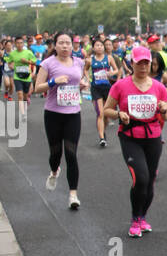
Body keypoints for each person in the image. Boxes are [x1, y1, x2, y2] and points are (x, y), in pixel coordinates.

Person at [103, 44, 167, 236]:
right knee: (140, 178)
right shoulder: (121, 85)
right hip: (130, 137)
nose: (143, 66)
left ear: (151, 64)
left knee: (150, 180)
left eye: (146, 63)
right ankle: (134, 219)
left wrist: (165, 110)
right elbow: (106, 110)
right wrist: (119, 114)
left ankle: (142, 217)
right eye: (139, 62)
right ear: (131, 63)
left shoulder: (158, 87)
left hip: (153, 137)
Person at [33, 30, 85, 210]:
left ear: (73, 45)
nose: (65, 46)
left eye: (68, 43)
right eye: (61, 43)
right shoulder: (48, 63)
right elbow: (37, 88)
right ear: (55, 45)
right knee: (55, 153)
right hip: (53, 114)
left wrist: (82, 85)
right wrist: (53, 81)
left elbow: (80, 80)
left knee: (71, 153)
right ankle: (54, 171)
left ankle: (73, 195)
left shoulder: (79, 61)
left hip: (73, 114)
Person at [88, 36, 120, 147]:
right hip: (96, 88)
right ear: (93, 48)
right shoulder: (90, 59)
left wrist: (111, 73)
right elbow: (85, 69)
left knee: (106, 114)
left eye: (101, 45)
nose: (100, 47)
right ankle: (102, 137)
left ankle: (103, 129)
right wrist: (88, 79)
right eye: (97, 45)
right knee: (100, 113)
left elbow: (116, 69)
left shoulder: (109, 58)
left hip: (107, 88)